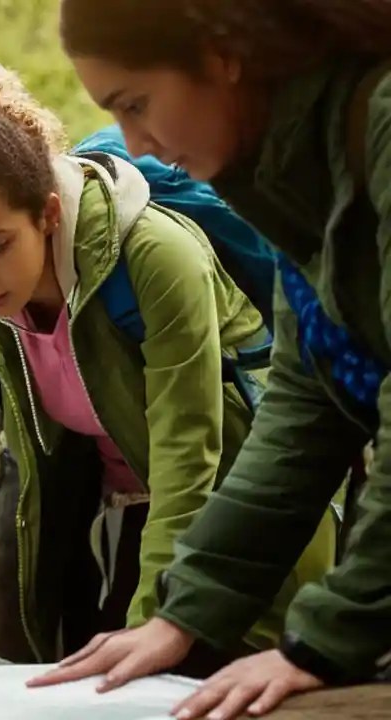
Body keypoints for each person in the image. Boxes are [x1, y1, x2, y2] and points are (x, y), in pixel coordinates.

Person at [0, 51, 333, 673]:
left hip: (244, 522)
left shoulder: (156, 258)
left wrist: (154, 629)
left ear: (49, 213)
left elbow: (186, 458)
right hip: (119, 522)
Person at [29, 2, 391, 717]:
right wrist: (184, 615)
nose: (136, 143)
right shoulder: (293, 177)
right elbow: (306, 408)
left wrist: (323, 639)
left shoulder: (376, 125)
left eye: (136, 104)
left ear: (223, 53)